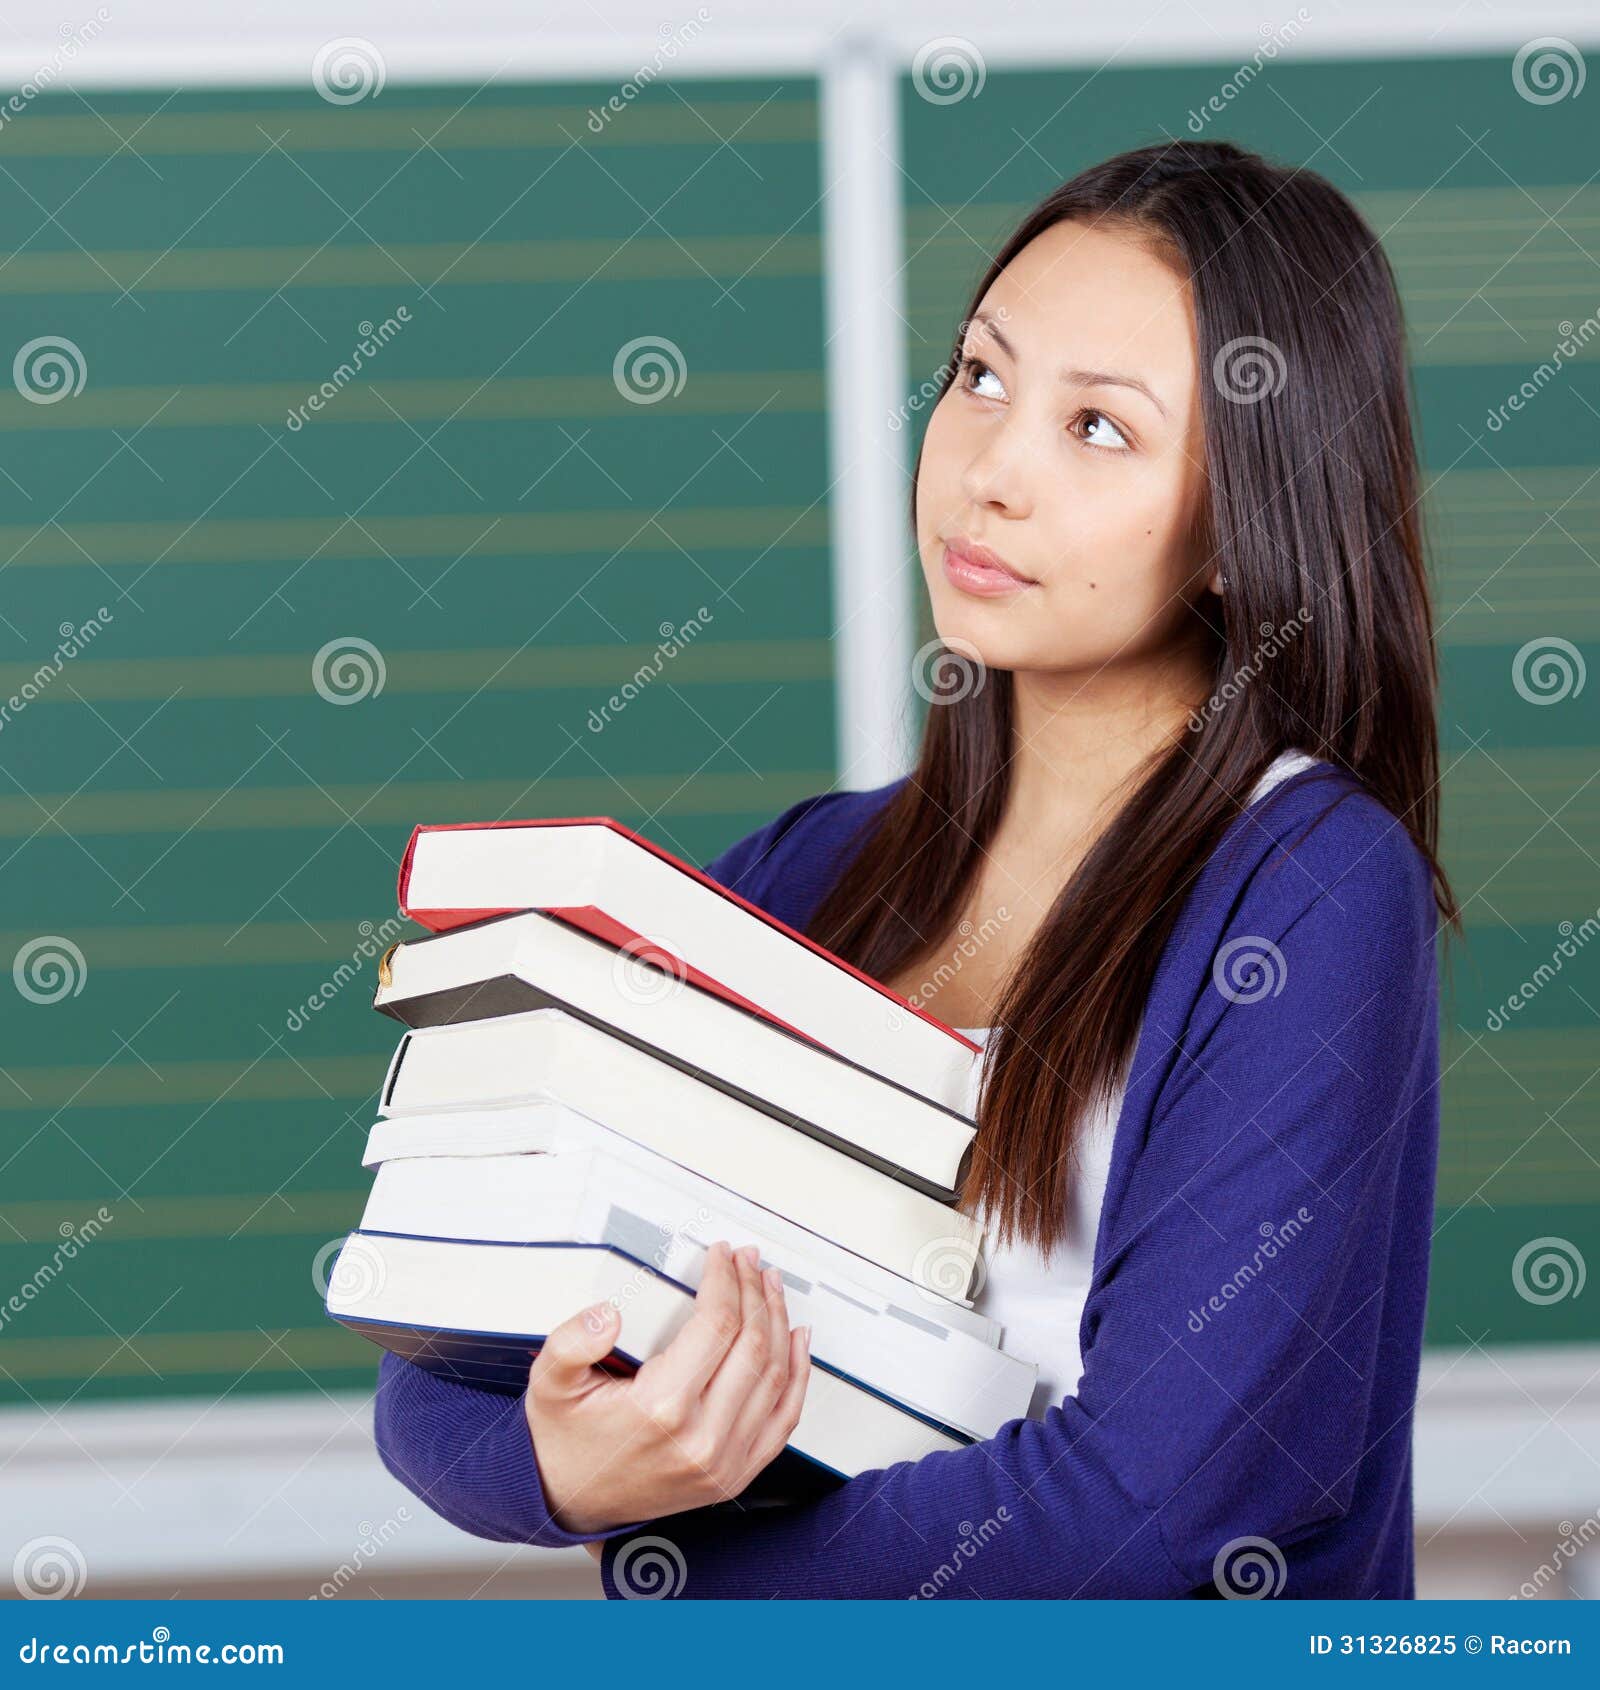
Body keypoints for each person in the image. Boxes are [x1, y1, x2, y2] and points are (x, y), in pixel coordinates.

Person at [373, 138, 1461, 1599]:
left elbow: (1166, 1497)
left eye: (1100, 429)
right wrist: (567, 1465)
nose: (992, 469)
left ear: (1236, 524)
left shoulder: (1315, 888)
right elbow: (443, 1348)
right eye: (982, 376)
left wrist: (685, 1566)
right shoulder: (810, 871)